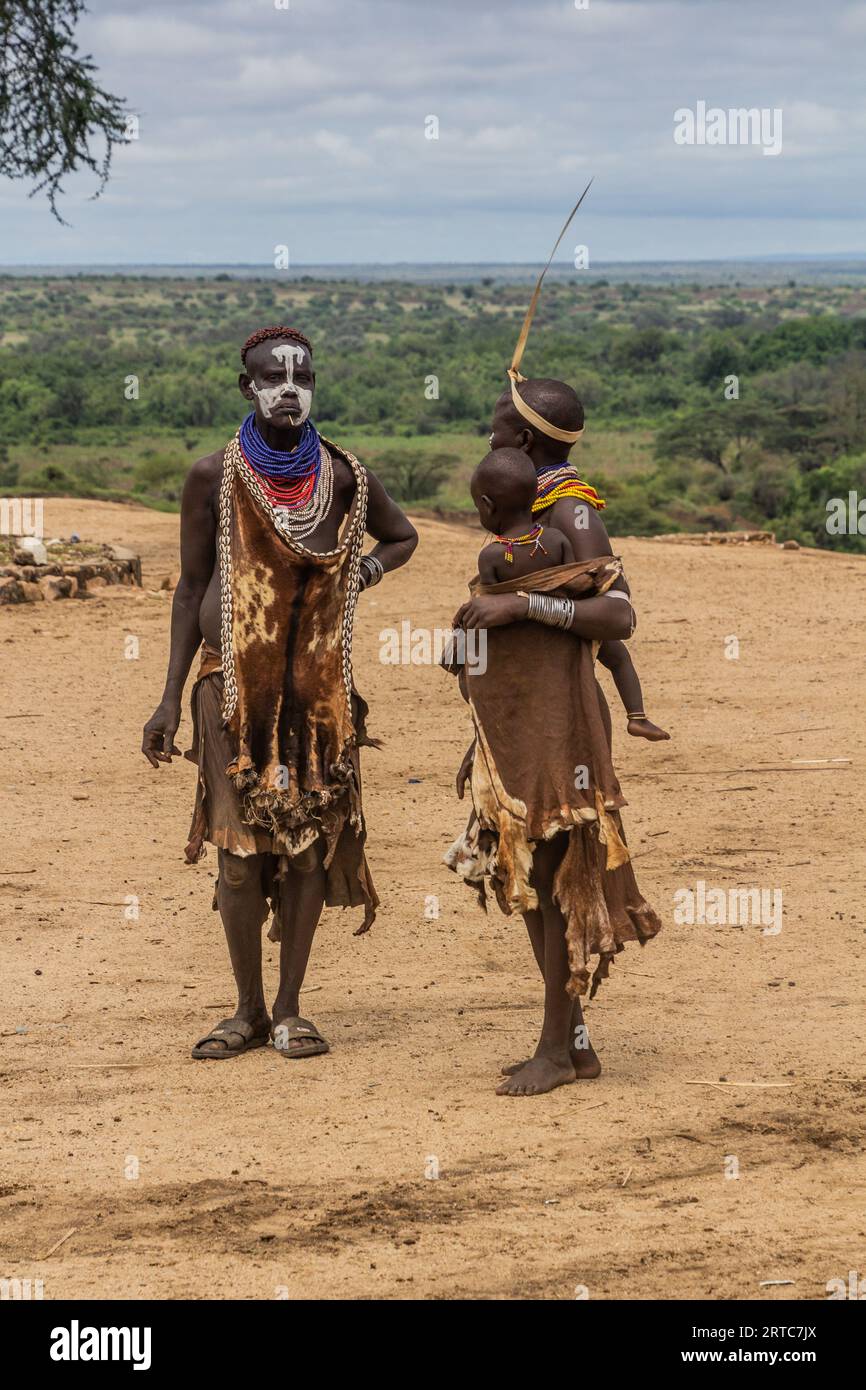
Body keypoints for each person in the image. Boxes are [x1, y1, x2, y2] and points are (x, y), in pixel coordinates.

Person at [141, 325, 417, 1061]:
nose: (289, 390)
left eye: (302, 378)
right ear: (248, 389)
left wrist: (362, 573)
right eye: (273, 378)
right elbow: (190, 588)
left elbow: (400, 537)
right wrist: (168, 699)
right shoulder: (214, 476)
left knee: (305, 849)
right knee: (237, 854)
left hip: (318, 694)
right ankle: (247, 1012)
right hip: (228, 688)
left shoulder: (346, 474)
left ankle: (292, 1008)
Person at [447, 379, 661, 1097]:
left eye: (498, 429)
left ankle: (555, 1049)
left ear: (528, 443)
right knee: (538, 881)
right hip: (523, 724)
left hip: (561, 724)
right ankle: (572, 1043)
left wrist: (522, 605)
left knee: (558, 881)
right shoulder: (531, 518)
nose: (489, 437)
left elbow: (618, 616)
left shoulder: (570, 511)